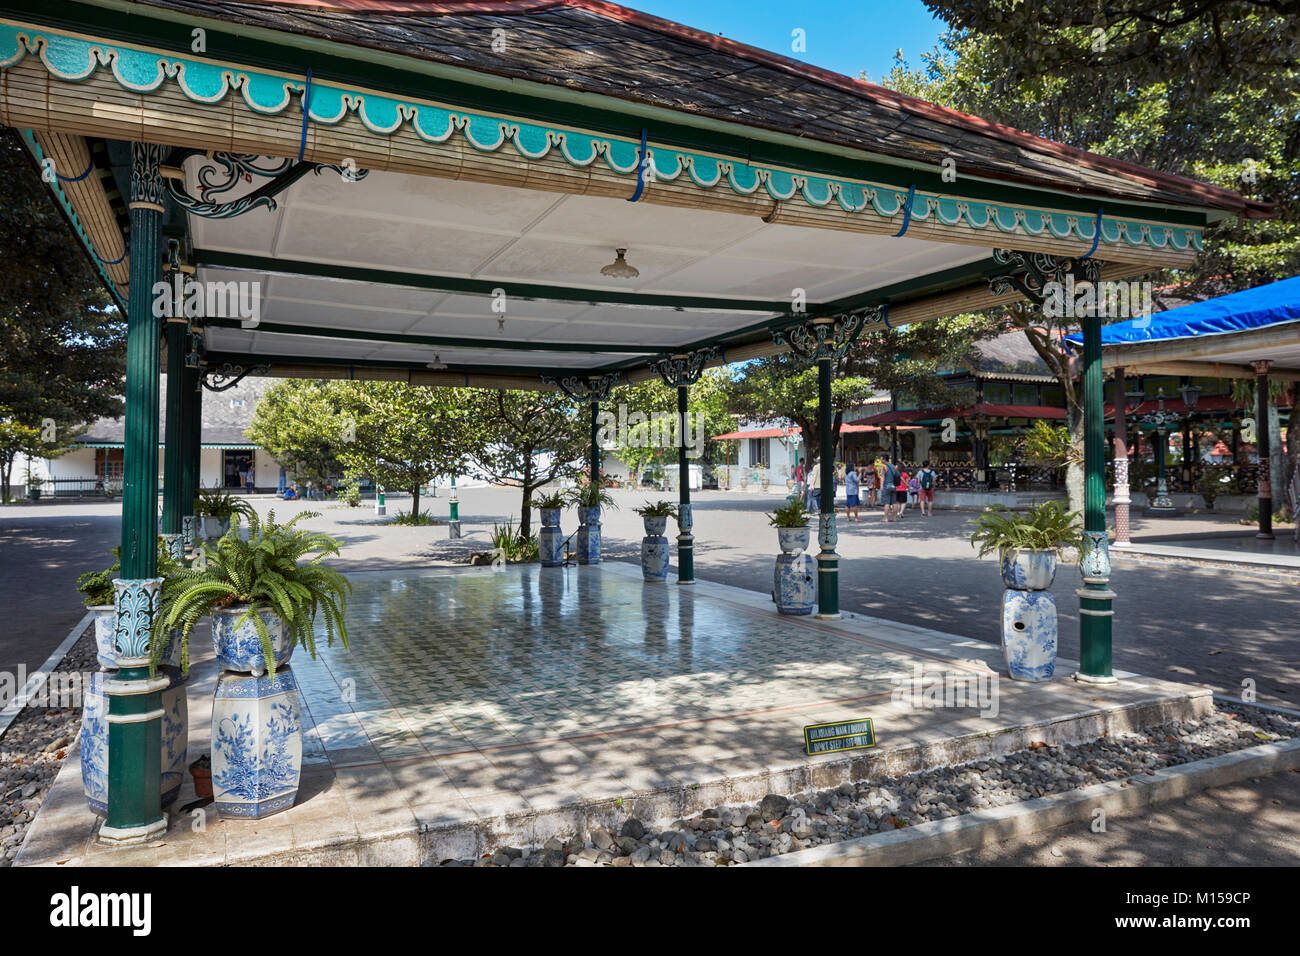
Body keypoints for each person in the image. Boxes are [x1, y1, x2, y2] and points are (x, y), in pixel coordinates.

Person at [880, 457, 898, 522]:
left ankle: (886, 518)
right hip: (893, 486)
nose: (880, 460)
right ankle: (894, 518)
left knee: (886, 503)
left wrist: (881, 486)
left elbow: (882, 476)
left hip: (886, 486)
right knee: (894, 502)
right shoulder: (893, 466)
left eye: (881, 459)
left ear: (884, 459)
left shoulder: (883, 467)